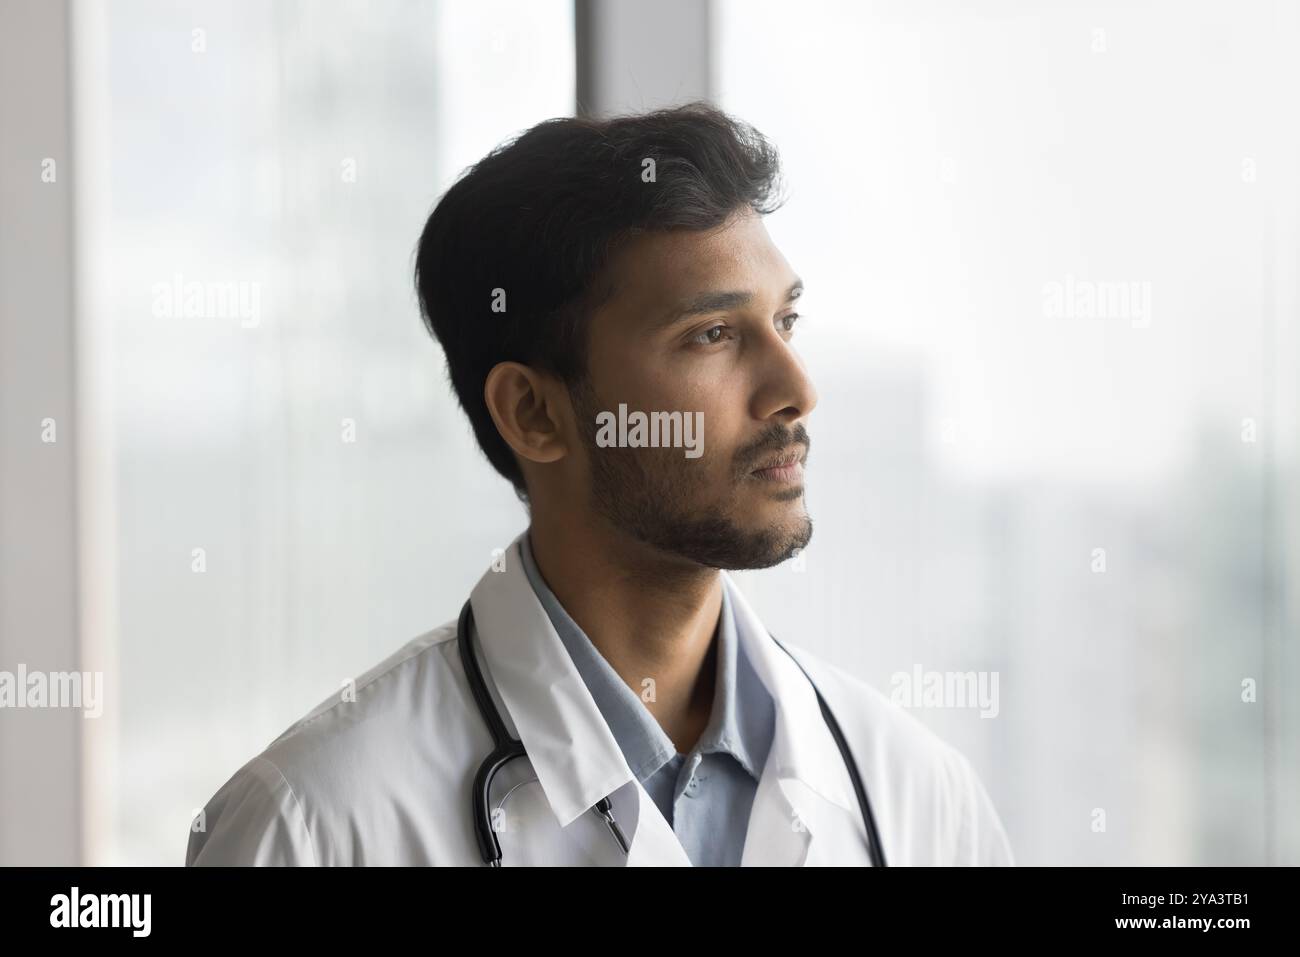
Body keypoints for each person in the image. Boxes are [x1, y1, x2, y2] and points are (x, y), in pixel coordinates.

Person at [186, 102, 1014, 866]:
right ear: (534, 412)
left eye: (785, 320)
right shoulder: (314, 826)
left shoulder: (918, 802)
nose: (796, 386)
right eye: (713, 334)